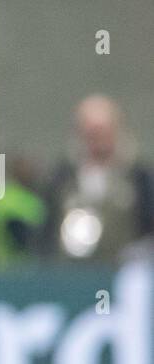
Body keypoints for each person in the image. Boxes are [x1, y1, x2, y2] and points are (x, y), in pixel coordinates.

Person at [42, 94, 154, 263]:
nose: (98, 139)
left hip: (124, 275)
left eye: (103, 131)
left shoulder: (140, 178)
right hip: (70, 275)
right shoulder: (61, 179)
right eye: (91, 132)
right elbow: (46, 231)